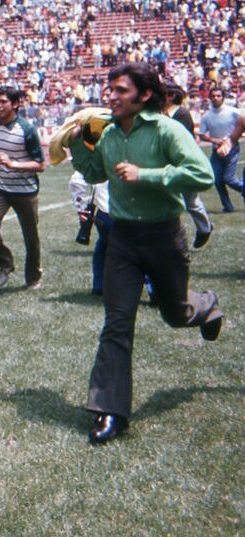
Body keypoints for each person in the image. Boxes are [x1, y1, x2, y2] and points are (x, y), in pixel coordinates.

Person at [68, 62, 222, 445]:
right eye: (110, 90)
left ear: (145, 94)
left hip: (163, 237)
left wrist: (148, 175)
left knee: (175, 313)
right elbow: (95, 174)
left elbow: (203, 174)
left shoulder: (167, 130)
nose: (111, 97)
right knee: (117, 324)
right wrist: (74, 143)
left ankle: (205, 306)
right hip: (122, 239)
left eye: (120, 90)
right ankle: (111, 411)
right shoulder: (108, 136)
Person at [0, 87, 46, 289]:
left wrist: (13, 165)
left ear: (15, 104)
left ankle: (33, 277)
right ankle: (5, 263)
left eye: (3, 102)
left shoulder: (27, 129)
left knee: (31, 238)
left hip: (25, 192)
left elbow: (40, 165)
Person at [163, 82, 213, 248]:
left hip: (184, 162)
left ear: (170, 96)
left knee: (190, 200)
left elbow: (179, 139)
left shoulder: (182, 114)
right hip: (168, 163)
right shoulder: (163, 112)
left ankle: (205, 228)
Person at [194, 85, 242, 213]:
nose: (216, 98)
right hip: (216, 150)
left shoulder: (233, 112)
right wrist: (215, 141)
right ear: (210, 98)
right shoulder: (206, 117)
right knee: (217, 180)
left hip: (232, 148)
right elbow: (202, 135)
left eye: (218, 96)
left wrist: (232, 139)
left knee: (229, 178)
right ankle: (228, 207)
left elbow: (242, 125)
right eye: (213, 96)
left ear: (223, 97)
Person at [68, 171, 112, 295]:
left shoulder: (100, 153)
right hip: (134, 213)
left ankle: (99, 286)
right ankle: (154, 291)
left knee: (102, 249)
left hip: (105, 215)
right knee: (142, 250)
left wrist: (80, 208)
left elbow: (76, 180)